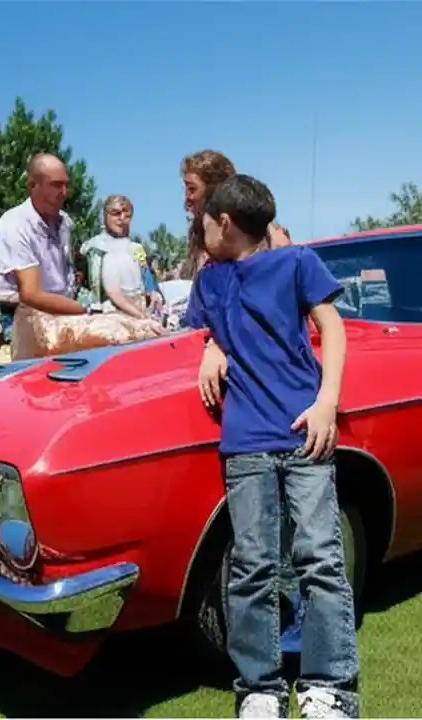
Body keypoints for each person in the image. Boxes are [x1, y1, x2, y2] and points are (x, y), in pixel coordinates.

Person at [186, 175, 359, 719]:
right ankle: (259, 688)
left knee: (321, 561)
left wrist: (328, 401)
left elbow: (332, 328)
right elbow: (201, 331)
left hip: (305, 432)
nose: (202, 230)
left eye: (205, 221)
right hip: (245, 445)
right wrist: (210, 345)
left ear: (225, 223)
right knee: (253, 567)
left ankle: (330, 688)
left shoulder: (297, 262)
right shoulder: (209, 282)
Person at [0, 153, 86, 358]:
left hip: (62, 317)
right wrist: (83, 312)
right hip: (22, 321)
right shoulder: (14, 225)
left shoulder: (65, 223)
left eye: (66, 185)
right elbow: (31, 294)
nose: (64, 193)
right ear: (33, 186)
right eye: (55, 185)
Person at [180, 150, 238, 278]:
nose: (187, 197)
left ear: (213, 191)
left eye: (192, 189)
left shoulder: (243, 232)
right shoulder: (197, 233)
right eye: (185, 189)